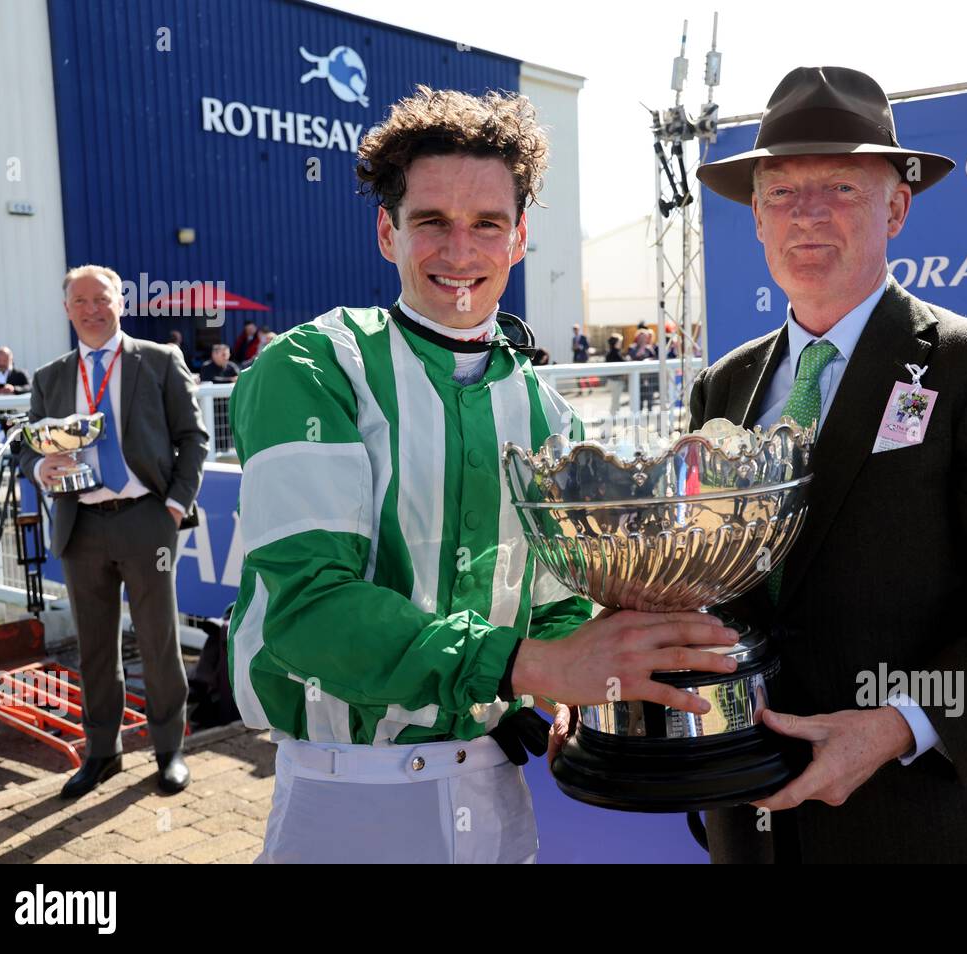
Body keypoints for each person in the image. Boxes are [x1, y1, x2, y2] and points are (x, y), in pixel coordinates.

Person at [227, 84, 736, 864]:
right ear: (386, 233)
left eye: (487, 224)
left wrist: (606, 654)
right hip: (348, 795)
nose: (460, 252)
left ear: (520, 237)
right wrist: (532, 665)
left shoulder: (547, 409)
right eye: (431, 221)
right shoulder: (313, 365)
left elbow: (552, 608)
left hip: (498, 790)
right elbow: (306, 614)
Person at [688, 67, 967, 862]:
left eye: (840, 186)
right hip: (754, 815)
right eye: (780, 193)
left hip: (921, 819)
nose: (807, 214)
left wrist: (894, 727)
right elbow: (712, 581)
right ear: (757, 220)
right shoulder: (725, 383)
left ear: (896, 207)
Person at [19, 265, 209, 800]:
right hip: (81, 525)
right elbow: (31, 446)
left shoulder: (159, 361)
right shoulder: (50, 378)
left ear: (119, 302)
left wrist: (173, 506)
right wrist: (40, 469)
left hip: (146, 518)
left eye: (101, 299)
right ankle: (102, 752)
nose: (92, 309)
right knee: (95, 646)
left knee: (159, 639)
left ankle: (169, 749)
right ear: (67, 309)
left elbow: (193, 438)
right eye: (80, 301)